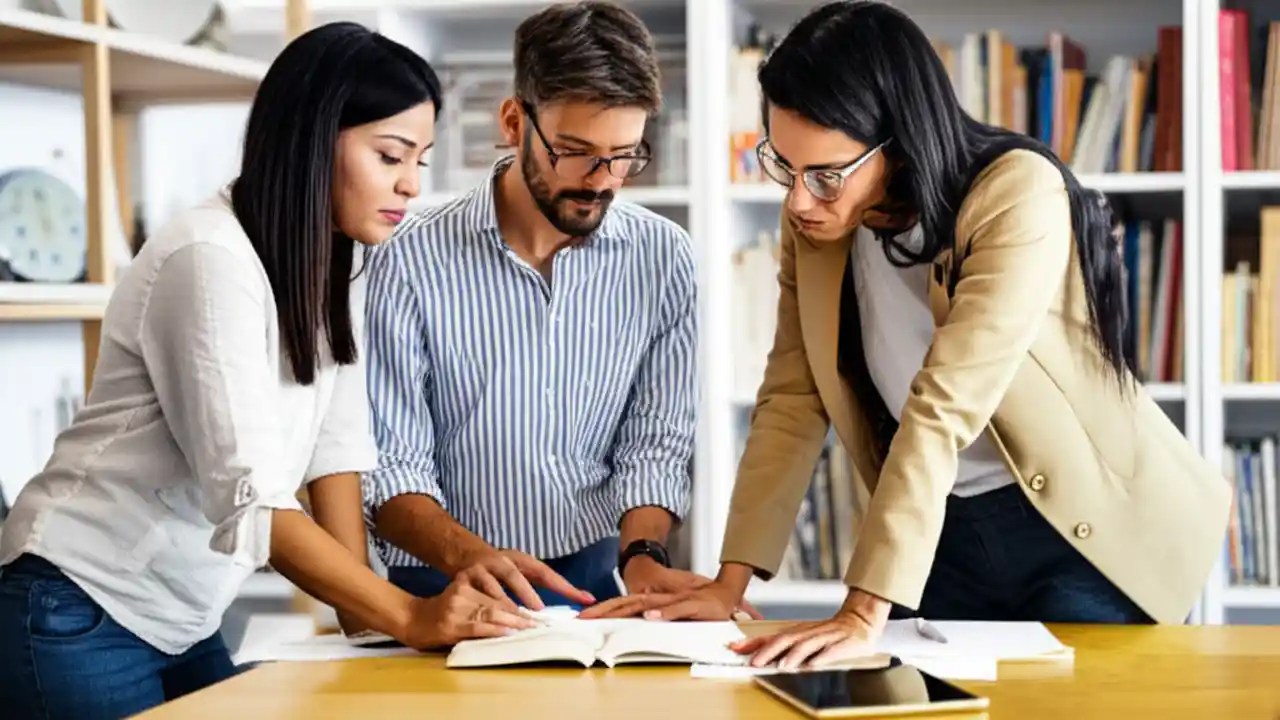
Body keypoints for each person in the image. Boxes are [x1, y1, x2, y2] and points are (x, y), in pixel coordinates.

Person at [583, 0, 1231, 668]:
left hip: (1079, 533)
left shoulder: (1016, 192)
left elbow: (943, 405)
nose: (800, 200)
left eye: (827, 175)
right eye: (784, 166)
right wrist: (730, 583)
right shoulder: (814, 225)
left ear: (897, 143)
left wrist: (864, 609)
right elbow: (790, 400)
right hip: (944, 531)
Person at [0, 23, 533, 719]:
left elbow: (333, 449)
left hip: (183, 618)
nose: (409, 183)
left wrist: (362, 617)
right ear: (315, 139)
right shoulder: (209, 258)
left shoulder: (334, 261)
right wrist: (409, 614)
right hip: (78, 606)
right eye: (390, 155)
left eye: (420, 160)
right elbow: (250, 498)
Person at [364, 1, 717, 613]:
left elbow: (654, 444)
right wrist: (470, 561)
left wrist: (644, 558)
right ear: (513, 121)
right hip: (440, 585)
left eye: (625, 155)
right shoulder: (405, 260)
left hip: (594, 584)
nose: (601, 179)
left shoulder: (665, 258)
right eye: (576, 151)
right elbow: (392, 465)